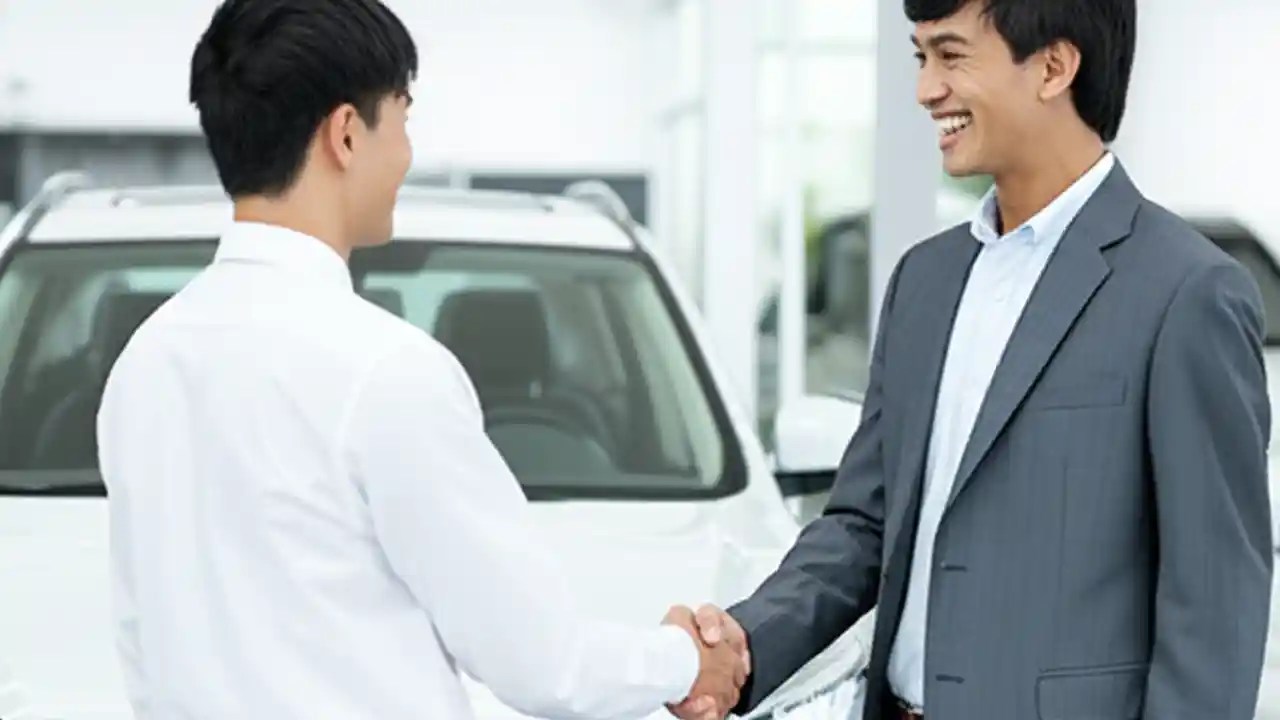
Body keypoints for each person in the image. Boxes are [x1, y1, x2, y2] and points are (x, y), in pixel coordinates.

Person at [96, 1, 745, 718]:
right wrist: (688, 659)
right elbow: (539, 662)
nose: (407, 151)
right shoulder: (384, 372)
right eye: (402, 117)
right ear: (346, 133)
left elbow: (142, 642)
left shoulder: (144, 362)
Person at [668, 0, 1273, 718]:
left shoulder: (1187, 293)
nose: (926, 89)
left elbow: (1213, 607)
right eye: (921, 57)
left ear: (1054, 67)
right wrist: (744, 646)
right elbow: (864, 526)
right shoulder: (924, 281)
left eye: (951, 56)